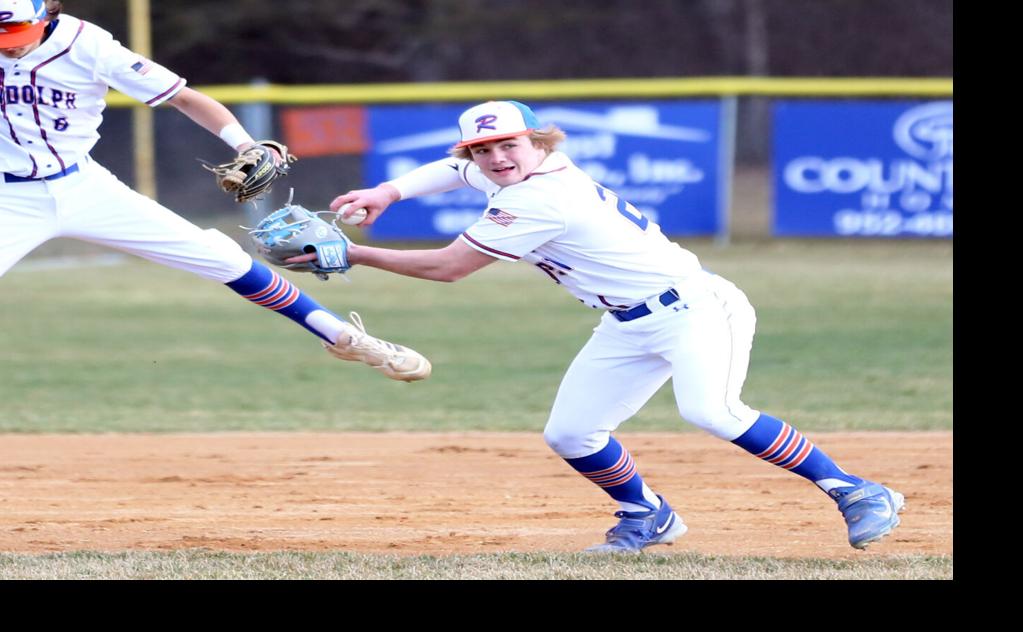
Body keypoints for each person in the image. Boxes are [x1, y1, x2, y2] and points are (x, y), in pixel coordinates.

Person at [315, 100, 905, 552]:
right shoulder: (521, 171)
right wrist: (387, 191)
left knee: (712, 411)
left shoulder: (538, 198)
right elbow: (453, 170)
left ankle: (854, 489)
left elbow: (449, 268)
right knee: (572, 434)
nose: (495, 158)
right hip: (627, 321)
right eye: (483, 149)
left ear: (538, 141)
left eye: (508, 144)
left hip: (697, 307)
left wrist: (354, 254)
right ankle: (648, 513)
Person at [0, 1, 429, 382]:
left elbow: (184, 98)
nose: (11, 46)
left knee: (222, 258)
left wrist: (246, 145)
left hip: (84, 186)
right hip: (9, 199)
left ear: (46, 14)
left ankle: (342, 336)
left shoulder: (88, 46)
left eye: (19, 34)